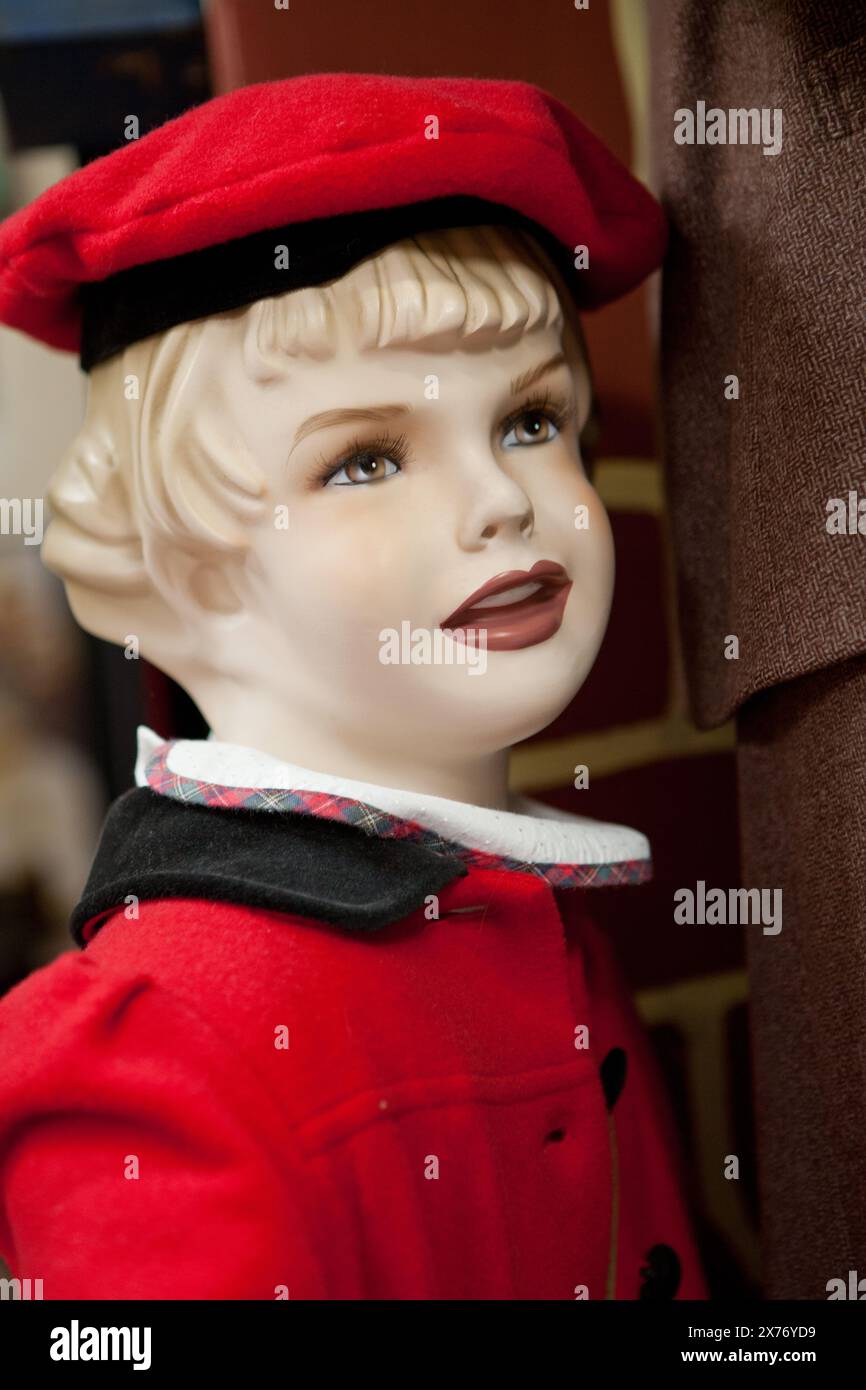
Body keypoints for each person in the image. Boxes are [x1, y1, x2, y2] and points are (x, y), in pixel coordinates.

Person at [0, 71, 706, 1299]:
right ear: (168, 567)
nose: (500, 499)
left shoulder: (537, 926)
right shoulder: (158, 1047)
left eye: (533, 420)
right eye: (366, 458)